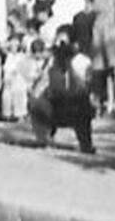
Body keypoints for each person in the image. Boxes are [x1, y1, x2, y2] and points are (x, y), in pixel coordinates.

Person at [29, 25, 96, 154]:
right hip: (54, 107)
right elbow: (38, 89)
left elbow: (87, 88)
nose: (61, 46)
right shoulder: (49, 61)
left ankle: (85, 143)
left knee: (83, 105)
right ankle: (43, 138)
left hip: (75, 108)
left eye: (64, 42)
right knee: (37, 104)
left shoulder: (82, 62)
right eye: (59, 41)